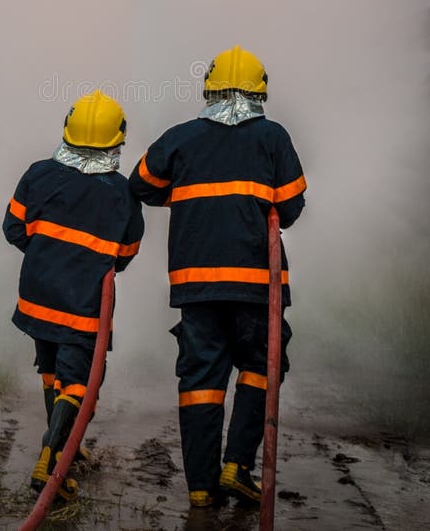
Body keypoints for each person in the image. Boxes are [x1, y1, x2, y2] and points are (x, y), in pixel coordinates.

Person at [129, 46, 306, 509]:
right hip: (255, 284)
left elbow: (140, 184)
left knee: (201, 380)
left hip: (196, 285)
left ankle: (202, 488)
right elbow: (291, 207)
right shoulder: (273, 138)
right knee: (260, 367)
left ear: (209, 89)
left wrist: (189, 200)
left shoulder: (180, 138)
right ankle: (238, 466)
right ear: (259, 91)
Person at [3, 90, 144, 497]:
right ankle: (51, 459)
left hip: (37, 298)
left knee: (50, 372)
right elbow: (127, 253)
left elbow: (13, 229)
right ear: (117, 139)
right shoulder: (121, 193)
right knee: (78, 381)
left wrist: (50, 254)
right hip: (82, 308)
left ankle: (64, 444)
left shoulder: (37, 174)